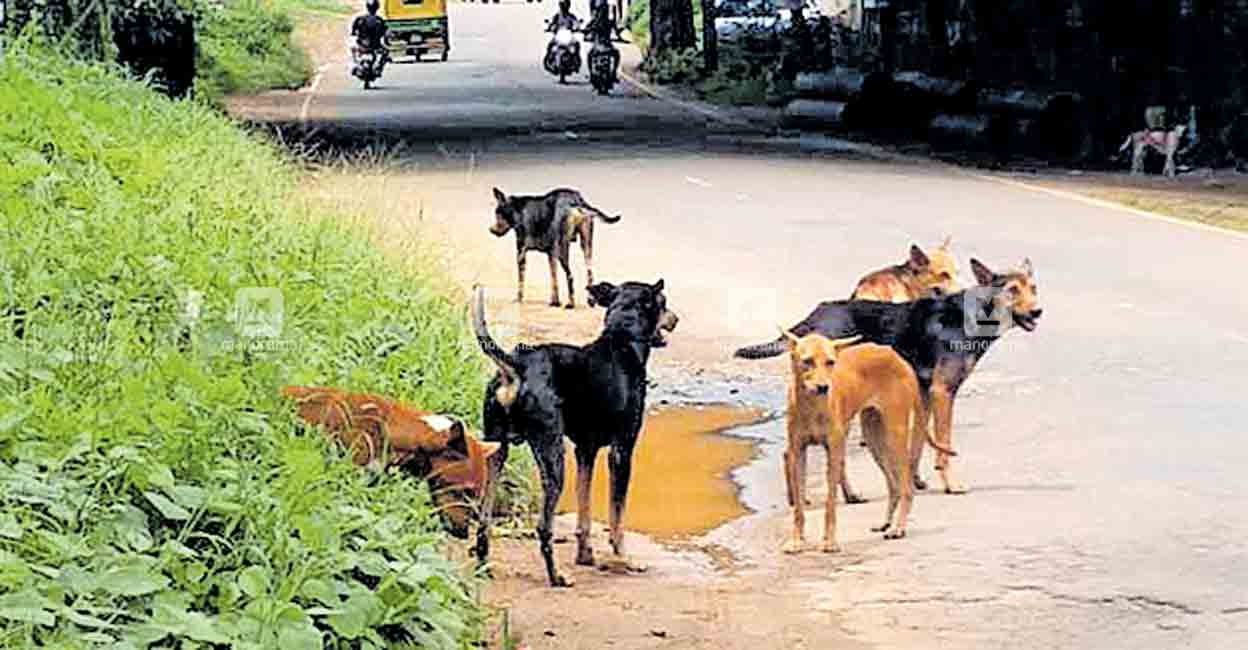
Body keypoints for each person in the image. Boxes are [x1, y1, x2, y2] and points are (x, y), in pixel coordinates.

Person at [349, 0, 389, 76]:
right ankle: (379, 67)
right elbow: (384, 33)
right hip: (375, 45)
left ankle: (355, 65)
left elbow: (353, 32)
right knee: (385, 52)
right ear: (377, 8)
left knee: (353, 50)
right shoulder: (379, 20)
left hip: (362, 44)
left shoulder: (360, 19)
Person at [545, 0, 582, 71]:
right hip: (559, 35)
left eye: (565, 5)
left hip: (568, 35)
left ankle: (577, 61)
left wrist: (577, 27)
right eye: (562, 5)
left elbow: (576, 23)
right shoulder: (557, 16)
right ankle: (549, 60)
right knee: (550, 45)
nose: (564, 7)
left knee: (577, 45)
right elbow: (552, 23)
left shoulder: (571, 16)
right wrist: (550, 28)